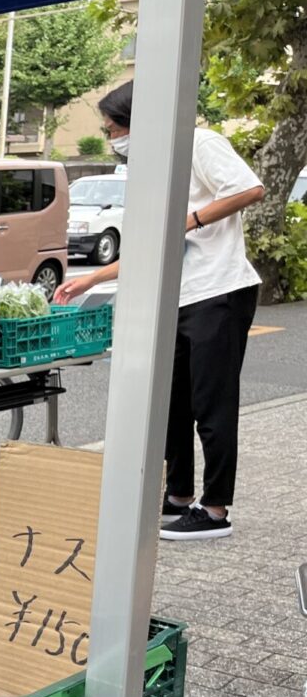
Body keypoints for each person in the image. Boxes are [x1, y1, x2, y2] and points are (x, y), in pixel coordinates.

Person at [55, 81, 264, 541]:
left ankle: (214, 511)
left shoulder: (200, 143)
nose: (112, 138)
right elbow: (155, 241)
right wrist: (90, 278)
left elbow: (251, 189)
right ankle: (179, 496)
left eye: (113, 129)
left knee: (213, 403)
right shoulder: (149, 165)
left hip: (219, 292)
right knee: (171, 403)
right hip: (177, 296)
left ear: (137, 119)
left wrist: (190, 219)